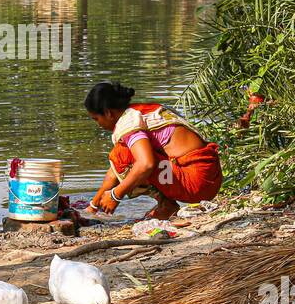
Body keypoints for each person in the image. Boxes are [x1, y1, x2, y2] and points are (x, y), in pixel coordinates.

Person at [85, 81, 222, 220]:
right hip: (209, 179)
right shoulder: (140, 111)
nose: (99, 125)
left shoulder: (127, 122)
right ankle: (166, 204)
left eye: (96, 119)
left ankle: (165, 205)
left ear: (108, 113)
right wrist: (93, 206)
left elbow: (146, 164)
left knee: (123, 154)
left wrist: (116, 195)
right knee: (124, 155)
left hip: (195, 182)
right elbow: (114, 171)